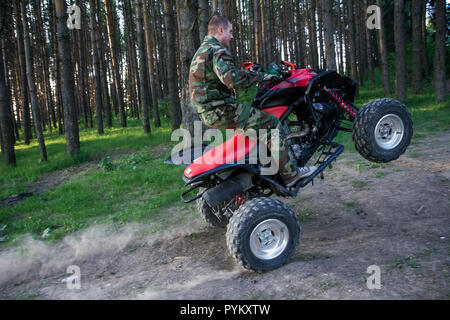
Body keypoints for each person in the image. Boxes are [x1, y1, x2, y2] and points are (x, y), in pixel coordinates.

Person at [189, 14, 316, 188]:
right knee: (272, 124)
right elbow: (231, 78)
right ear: (220, 30)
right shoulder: (217, 50)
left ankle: (264, 165)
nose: (232, 36)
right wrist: (261, 75)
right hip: (221, 110)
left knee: (255, 125)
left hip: (210, 111)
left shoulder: (202, 50)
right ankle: (291, 174)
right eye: (230, 31)